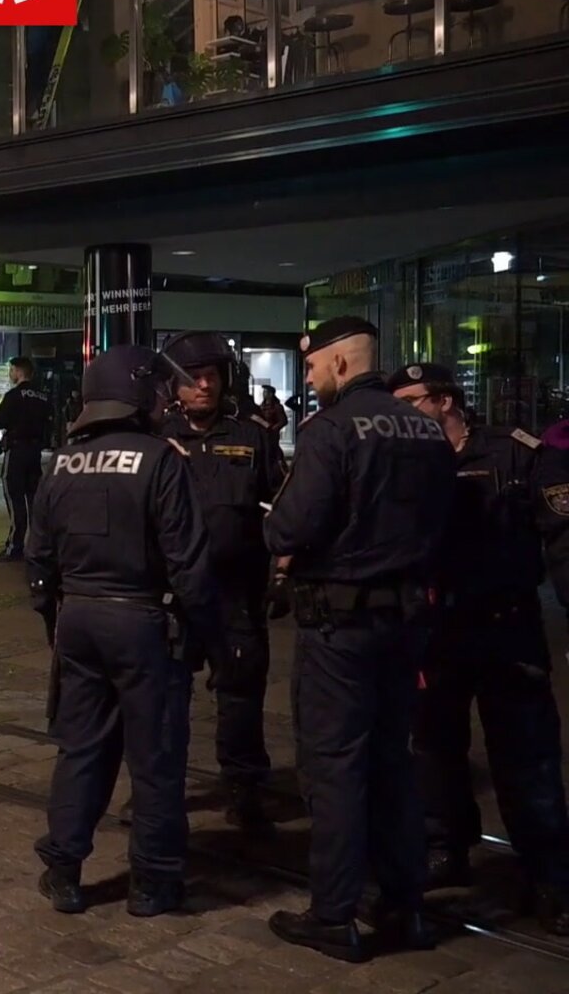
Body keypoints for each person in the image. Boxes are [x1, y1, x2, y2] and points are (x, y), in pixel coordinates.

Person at [264, 317, 454, 962]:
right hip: (405, 620)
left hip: (339, 625)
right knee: (393, 760)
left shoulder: (333, 430)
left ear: (340, 364)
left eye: (314, 368)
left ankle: (334, 913)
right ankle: (407, 907)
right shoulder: (425, 429)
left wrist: (278, 536)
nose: (310, 380)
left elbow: (292, 524)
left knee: (335, 768)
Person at [30, 345, 234, 918]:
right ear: (141, 393)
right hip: (144, 623)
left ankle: (64, 870)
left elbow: (37, 561)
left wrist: (58, 625)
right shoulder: (161, 460)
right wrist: (212, 642)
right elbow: (190, 566)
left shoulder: (61, 462)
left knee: (81, 751)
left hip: (79, 620)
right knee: (156, 758)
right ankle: (152, 883)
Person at [389, 362, 569, 935]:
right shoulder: (406, 460)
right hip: (437, 629)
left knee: (527, 756)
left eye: (411, 399)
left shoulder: (515, 453)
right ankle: (446, 847)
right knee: (434, 748)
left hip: (505, 626)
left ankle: (549, 874)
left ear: (445, 400)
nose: (403, 411)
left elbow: (562, 540)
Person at [159, 331, 286, 834]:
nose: (204, 386)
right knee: (166, 700)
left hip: (235, 594)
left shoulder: (252, 436)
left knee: (241, 699)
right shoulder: (155, 437)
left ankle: (245, 790)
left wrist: (281, 574)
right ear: (176, 386)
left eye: (211, 376)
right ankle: (163, 790)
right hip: (173, 597)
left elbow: (282, 507)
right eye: (193, 378)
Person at [0, 356, 54, 561]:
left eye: (11, 370)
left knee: (15, 498)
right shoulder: (43, 396)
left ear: (19, 371)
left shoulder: (13, 395)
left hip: (16, 452)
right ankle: (39, 545)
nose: (10, 374)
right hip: (35, 453)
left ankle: (15, 546)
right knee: (34, 500)